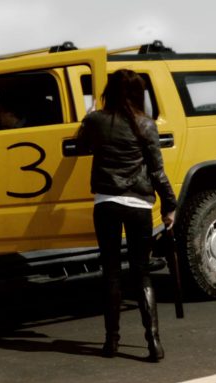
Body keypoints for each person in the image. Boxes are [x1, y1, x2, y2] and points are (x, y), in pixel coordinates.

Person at [75, 69, 177, 361]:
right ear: (137, 94)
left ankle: (111, 342)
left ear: (109, 91)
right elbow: (157, 171)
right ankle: (153, 343)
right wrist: (169, 205)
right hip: (139, 205)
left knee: (111, 273)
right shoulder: (146, 124)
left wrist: (87, 118)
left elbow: (81, 146)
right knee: (142, 272)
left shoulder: (97, 120)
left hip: (106, 202)